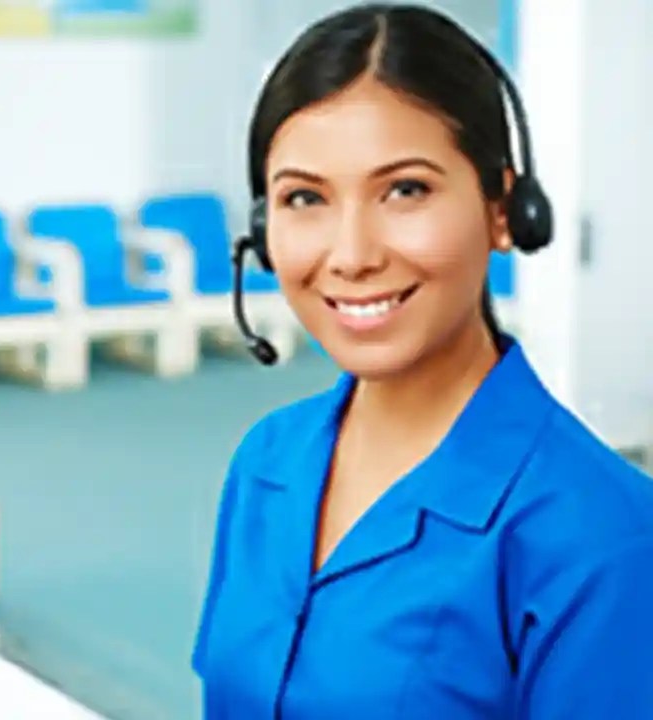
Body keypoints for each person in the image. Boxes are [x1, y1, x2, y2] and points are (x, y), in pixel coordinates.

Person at [193, 4, 653, 719]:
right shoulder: (266, 462)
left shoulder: (602, 533)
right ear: (263, 228)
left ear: (504, 209)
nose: (352, 254)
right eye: (305, 198)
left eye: (405, 190)